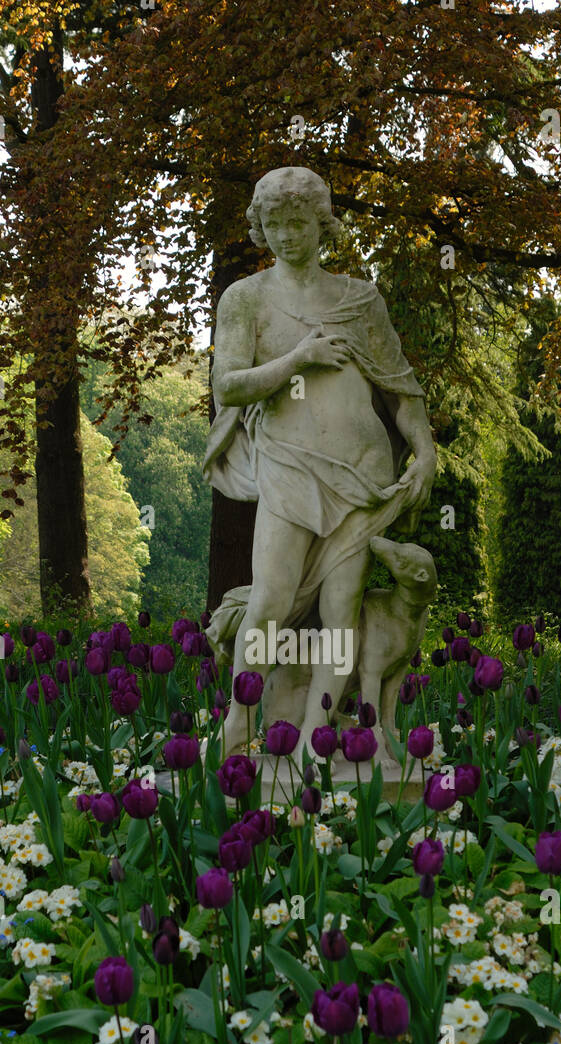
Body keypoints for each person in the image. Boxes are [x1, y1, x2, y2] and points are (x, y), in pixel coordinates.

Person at [204, 166, 437, 757]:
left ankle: (316, 735)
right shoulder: (247, 298)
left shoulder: (359, 299)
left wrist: (426, 449)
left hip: (363, 472)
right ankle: (239, 719)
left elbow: (401, 389)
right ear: (261, 227)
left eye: (298, 223)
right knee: (271, 600)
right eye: (274, 224)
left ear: (321, 223)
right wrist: (297, 360)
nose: (286, 235)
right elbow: (228, 386)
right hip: (288, 462)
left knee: (342, 613)